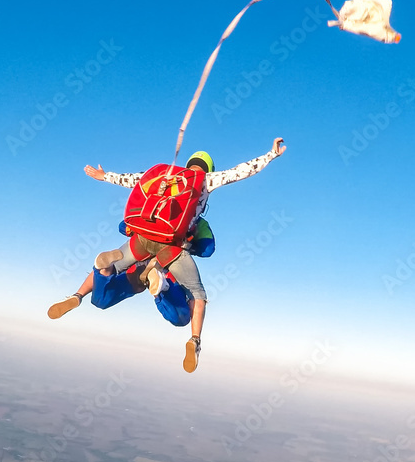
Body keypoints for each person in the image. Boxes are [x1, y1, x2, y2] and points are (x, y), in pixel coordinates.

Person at [48, 137, 286, 373]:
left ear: (189, 163)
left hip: (142, 238)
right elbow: (240, 172)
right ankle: (193, 338)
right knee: (197, 294)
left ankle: (84, 289)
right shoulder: (204, 180)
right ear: (208, 169)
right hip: (171, 247)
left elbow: (132, 180)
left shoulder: (165, 175)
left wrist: (104, 176)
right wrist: (270, 155)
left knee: (111, 267)